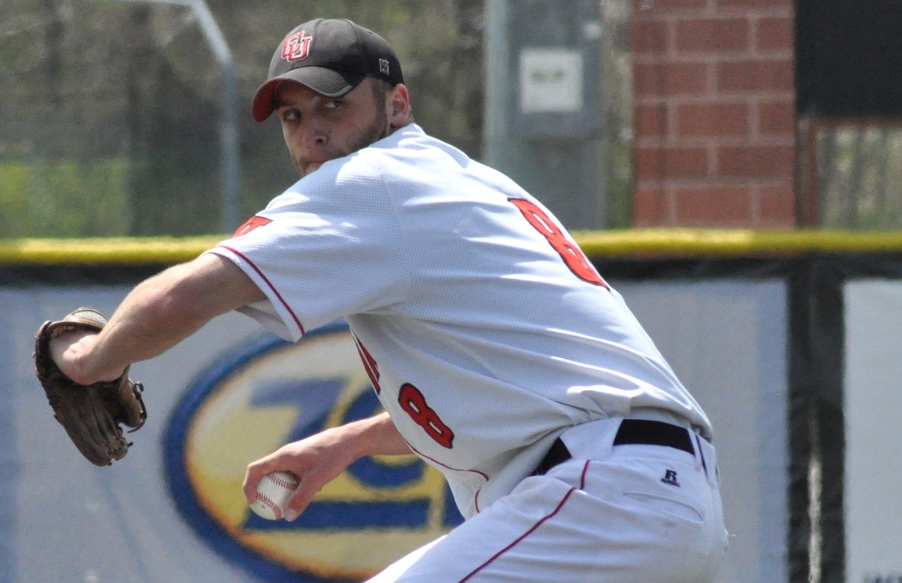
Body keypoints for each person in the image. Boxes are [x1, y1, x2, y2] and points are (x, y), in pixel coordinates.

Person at [52, 18, 728, 582]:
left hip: (603, 500)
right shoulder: (455, 182)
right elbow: (510, 388)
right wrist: (347, 442)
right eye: (292, 116)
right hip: (652, 499)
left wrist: (92, 356)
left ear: (396, 106)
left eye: (333, 105)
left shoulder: (372, 179)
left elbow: (195, 291)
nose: (312, 133)